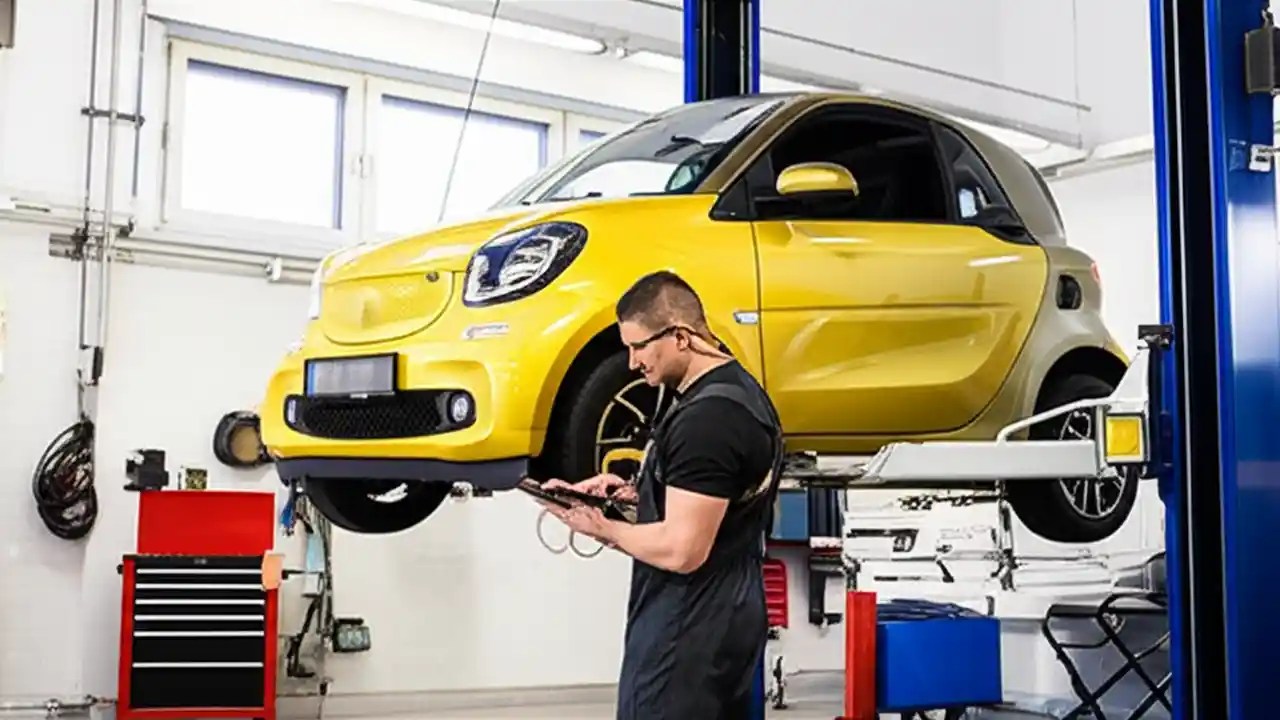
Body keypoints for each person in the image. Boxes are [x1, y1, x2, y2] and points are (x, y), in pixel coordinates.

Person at [539, 270, 785, 720]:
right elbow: (714, 504)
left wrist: (601, 527)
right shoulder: (739, 394)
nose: (631, 362)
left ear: (681, 336)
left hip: (687, 632)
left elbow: (683, 549)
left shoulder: (708, 419)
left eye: (639, 346)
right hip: (727, 618)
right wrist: (632, 496)